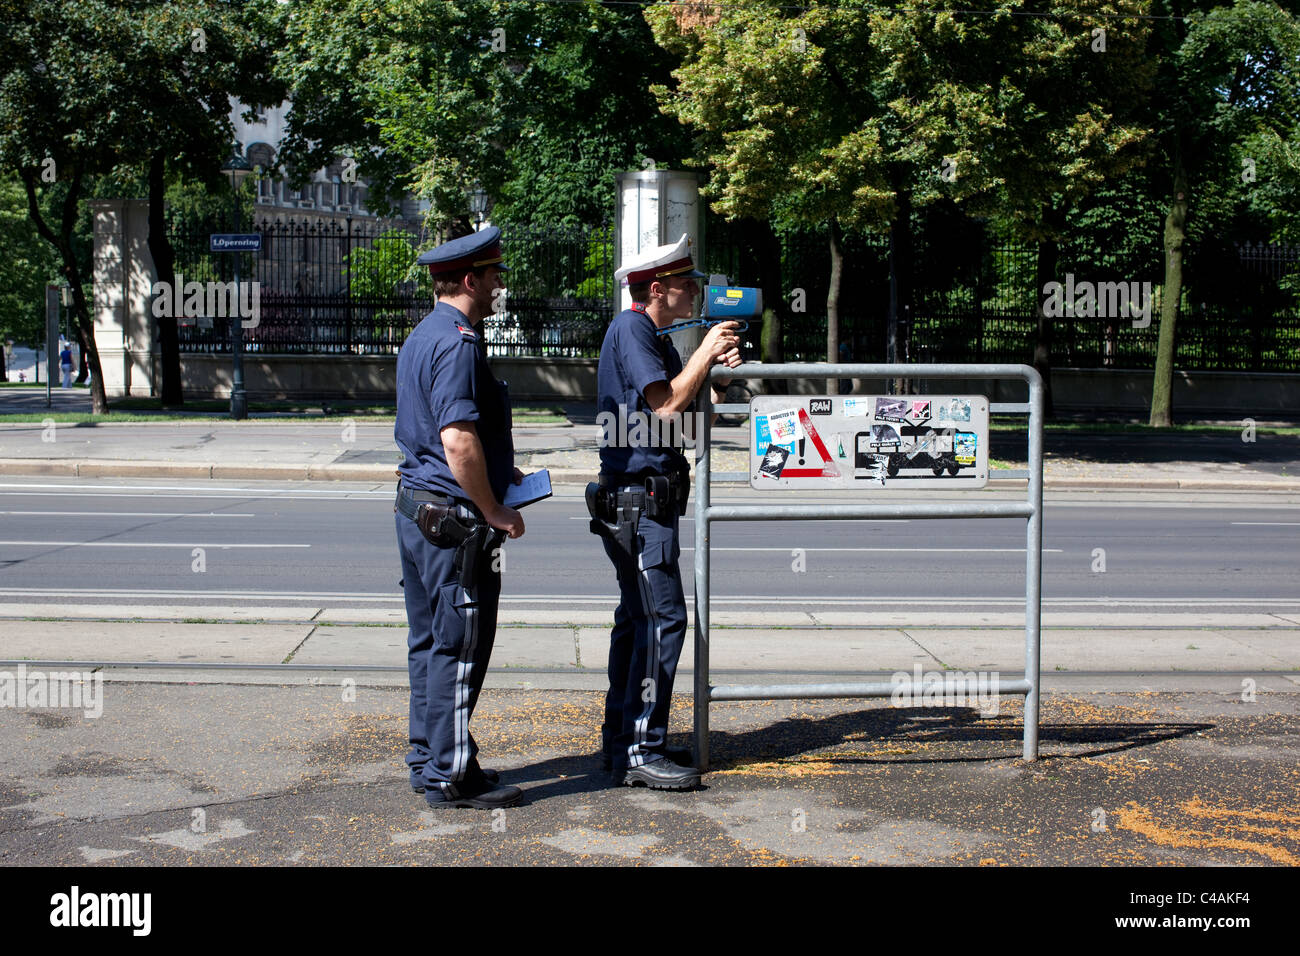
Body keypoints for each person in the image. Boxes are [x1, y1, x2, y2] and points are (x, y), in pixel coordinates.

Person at [588, 234, 742, 789]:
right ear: (658, 289)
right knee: (661, 622)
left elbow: (685, 425)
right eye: (687, 283)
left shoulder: (647, 335)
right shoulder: (633, 329)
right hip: (639, 504)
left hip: (644, 501)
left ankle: (624, 741)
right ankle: (639, 748)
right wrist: (703, 352)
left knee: (638, 622)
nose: (696, 292)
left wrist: (715, 378)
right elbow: (667, 404)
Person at [394, 226, 525, 809]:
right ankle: (450, 774)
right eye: (494, 275)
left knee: (430, 643)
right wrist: (495, 508)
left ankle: (432, 758)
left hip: (418, 511)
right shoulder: (460, 341)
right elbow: (457, 440)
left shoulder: (424, 334)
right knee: (461, 646)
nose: (500, 285)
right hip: (454, 520)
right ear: (471, 280)